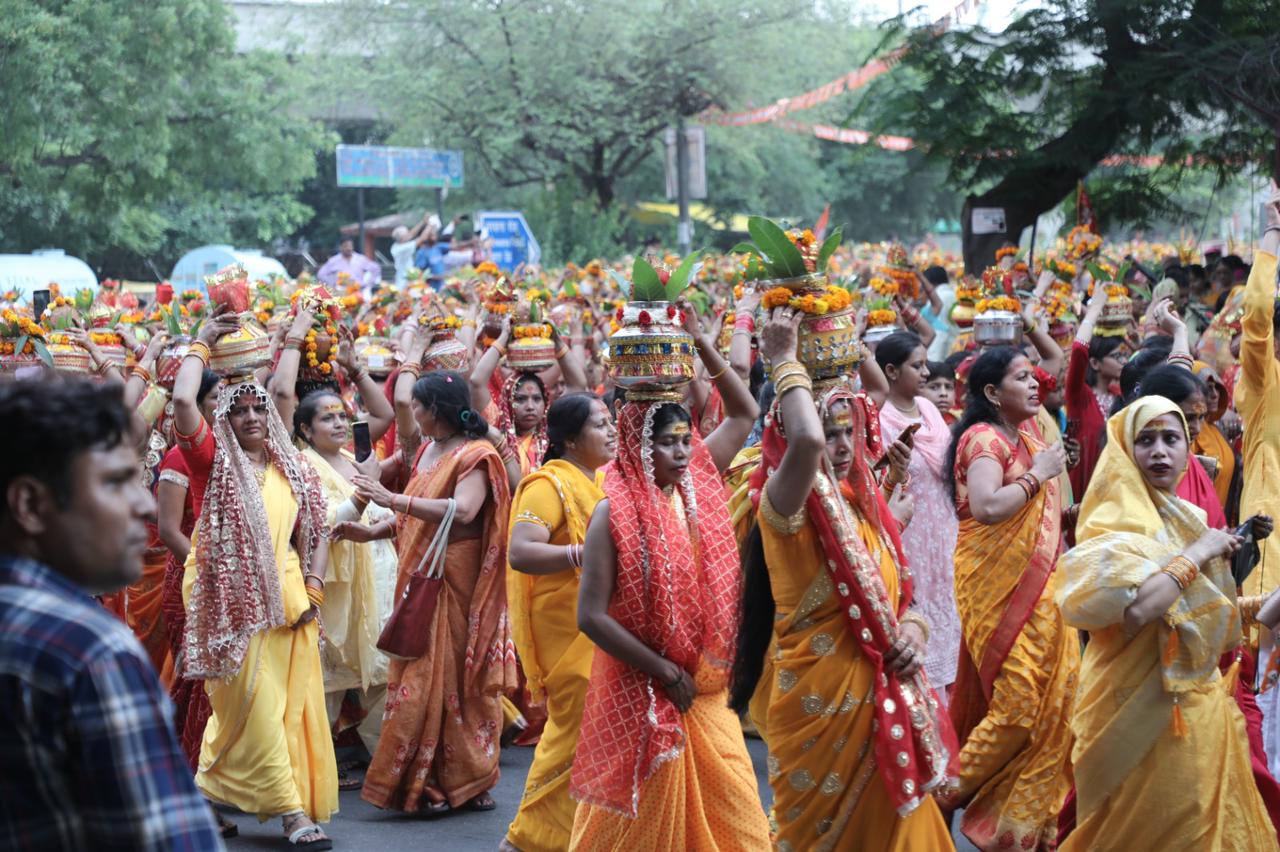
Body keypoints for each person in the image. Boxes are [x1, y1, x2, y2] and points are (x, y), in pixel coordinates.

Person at [730, 312, 956, 850]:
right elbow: (805, 445)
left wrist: (913, 634)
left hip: (885, 691)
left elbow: (904, 594)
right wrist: (783, 360)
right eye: (828, 433)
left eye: (847, 432)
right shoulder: (786, 505)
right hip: (822, 697)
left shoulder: (865, 508)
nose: (837, 443)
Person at [569, 305, 769, 850]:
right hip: (646, 686)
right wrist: (661, 669)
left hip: (703, 688)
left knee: (741, 816)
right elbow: (590, 615)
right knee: (642, 832)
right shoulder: (614, 510)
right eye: (667, 442)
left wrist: (703, 341)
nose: (682, 452)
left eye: (685, 440)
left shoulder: (697, 481)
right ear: (638, 442)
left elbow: (745, 411)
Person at [0, 380, 222, 850]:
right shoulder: (87, 651)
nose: (144, 502)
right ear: (30, 504)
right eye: (117, 482)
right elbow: (173, 840)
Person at [1056, 396, 1278, 850]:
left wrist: (1259, 605)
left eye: (1170, 439)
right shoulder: (1112, 523)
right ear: (1126, 451)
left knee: (1194, 818)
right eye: (1146, 440)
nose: (1159, 451)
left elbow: (1200, 608)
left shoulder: (1191, 517)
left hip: (1193, 701)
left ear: (1186, 450)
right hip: (1127, 699)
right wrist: (1197, 554)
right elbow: (1138, 611)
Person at [172, 308, 338, 849]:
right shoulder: (211, 462)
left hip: (290, 601)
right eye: (237, 410)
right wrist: (200, 343)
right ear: (223, 418)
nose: (249, 418)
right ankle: (289, 812)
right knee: (253, 704)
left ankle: (207, 787)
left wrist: (313, 587)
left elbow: (315, 533)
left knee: (284, 708)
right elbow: (180, 402)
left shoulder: (292, 468)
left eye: (256, 409)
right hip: (230, 602)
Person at [341, 370, 515, 815]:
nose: (410, 412)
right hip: (424, 577)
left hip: (457, 581)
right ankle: (425, 782)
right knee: (419, 679)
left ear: (434, 408)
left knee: (459, 679)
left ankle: (467, 780)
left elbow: (464, 510)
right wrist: (370, 532)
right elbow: (416, 521)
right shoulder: (427, 451)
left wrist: (390, 498)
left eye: (416, 405)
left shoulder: (475, 453)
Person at [945, 346, 1079, 850]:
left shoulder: (1029, 435)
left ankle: (1027, 822)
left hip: (1042, 586)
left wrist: (1061, 514)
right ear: (991, 393)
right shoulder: (983, 438)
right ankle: (941, 794)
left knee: (1055, 697)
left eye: (1032, 376)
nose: (1034, 384)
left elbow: (1033, 513)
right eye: (1021, 377)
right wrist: (1039, 475)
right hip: (993, 586)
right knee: (1019, 705)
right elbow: (986, 507)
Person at [502, 393, 617, 852]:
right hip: (568, 630)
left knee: (594, 741)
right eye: (600, 425)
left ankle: (579, 838)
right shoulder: (548, 485)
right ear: (570, 439)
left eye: (612, 423)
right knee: (572, 736)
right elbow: (521, 551)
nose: (611, 432)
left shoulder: (606, 480)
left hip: (603, 626)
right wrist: (582, 554)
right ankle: (525, 839)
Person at [292, 388, 397, 770]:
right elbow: (320, 523)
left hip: (377, 572)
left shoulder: (356, 459)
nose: (338, 423)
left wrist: (386, 513)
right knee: (328, 679)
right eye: (327, 418)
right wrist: (364, 495)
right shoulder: (302, 465)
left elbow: (380, 508)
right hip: (334, 580)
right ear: (305, 429)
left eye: (341, 416)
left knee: (382, 671)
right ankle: (311, 770)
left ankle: (387, 765)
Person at [876, 331, 962, 700]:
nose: (926, 373)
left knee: (949, 608)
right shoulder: (882, 419)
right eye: (918, 366)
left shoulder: (928, 409)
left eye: (926, 364)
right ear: (892, 371)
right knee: (918, 612)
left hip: (944, 528)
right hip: (909, 532)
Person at [156, 368, 221, 772]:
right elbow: (168, 529)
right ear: (196, 407)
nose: (226, 406)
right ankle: (186, 769)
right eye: (217, 399)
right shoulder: (180, 456)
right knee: (194, 680)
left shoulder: (233, 451)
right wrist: (206, 573)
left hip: (223, 575)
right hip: (190, 579)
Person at [1065, 293, 1130, 497]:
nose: (1123, 361)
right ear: (1094, 363)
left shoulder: (1120, 394)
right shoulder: (1079, 395)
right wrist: (1093, 312)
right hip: (1083, 486)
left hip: (1115, 485)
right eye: (1116, 356)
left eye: (1125, 355)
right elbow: (1078, 351)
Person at [317, 237, 381, 294]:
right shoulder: (334, 261)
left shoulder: (360, 259)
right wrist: (333, 284)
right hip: (341, 293)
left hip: (358, 292)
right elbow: (321, 274)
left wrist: (367, 284)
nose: (348, 248)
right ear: (340, 247)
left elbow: (376, 268)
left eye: (350, 246)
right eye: (345, 246)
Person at [391, 214, 438, 287]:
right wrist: (431, 225)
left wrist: (423, 222)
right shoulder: (403, 248)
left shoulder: (397, 245)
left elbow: (411, 234)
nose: (409, 234)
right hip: (403, 284)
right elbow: (422, 238)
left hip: (404, 282)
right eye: (407, 234)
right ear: (403, 237)